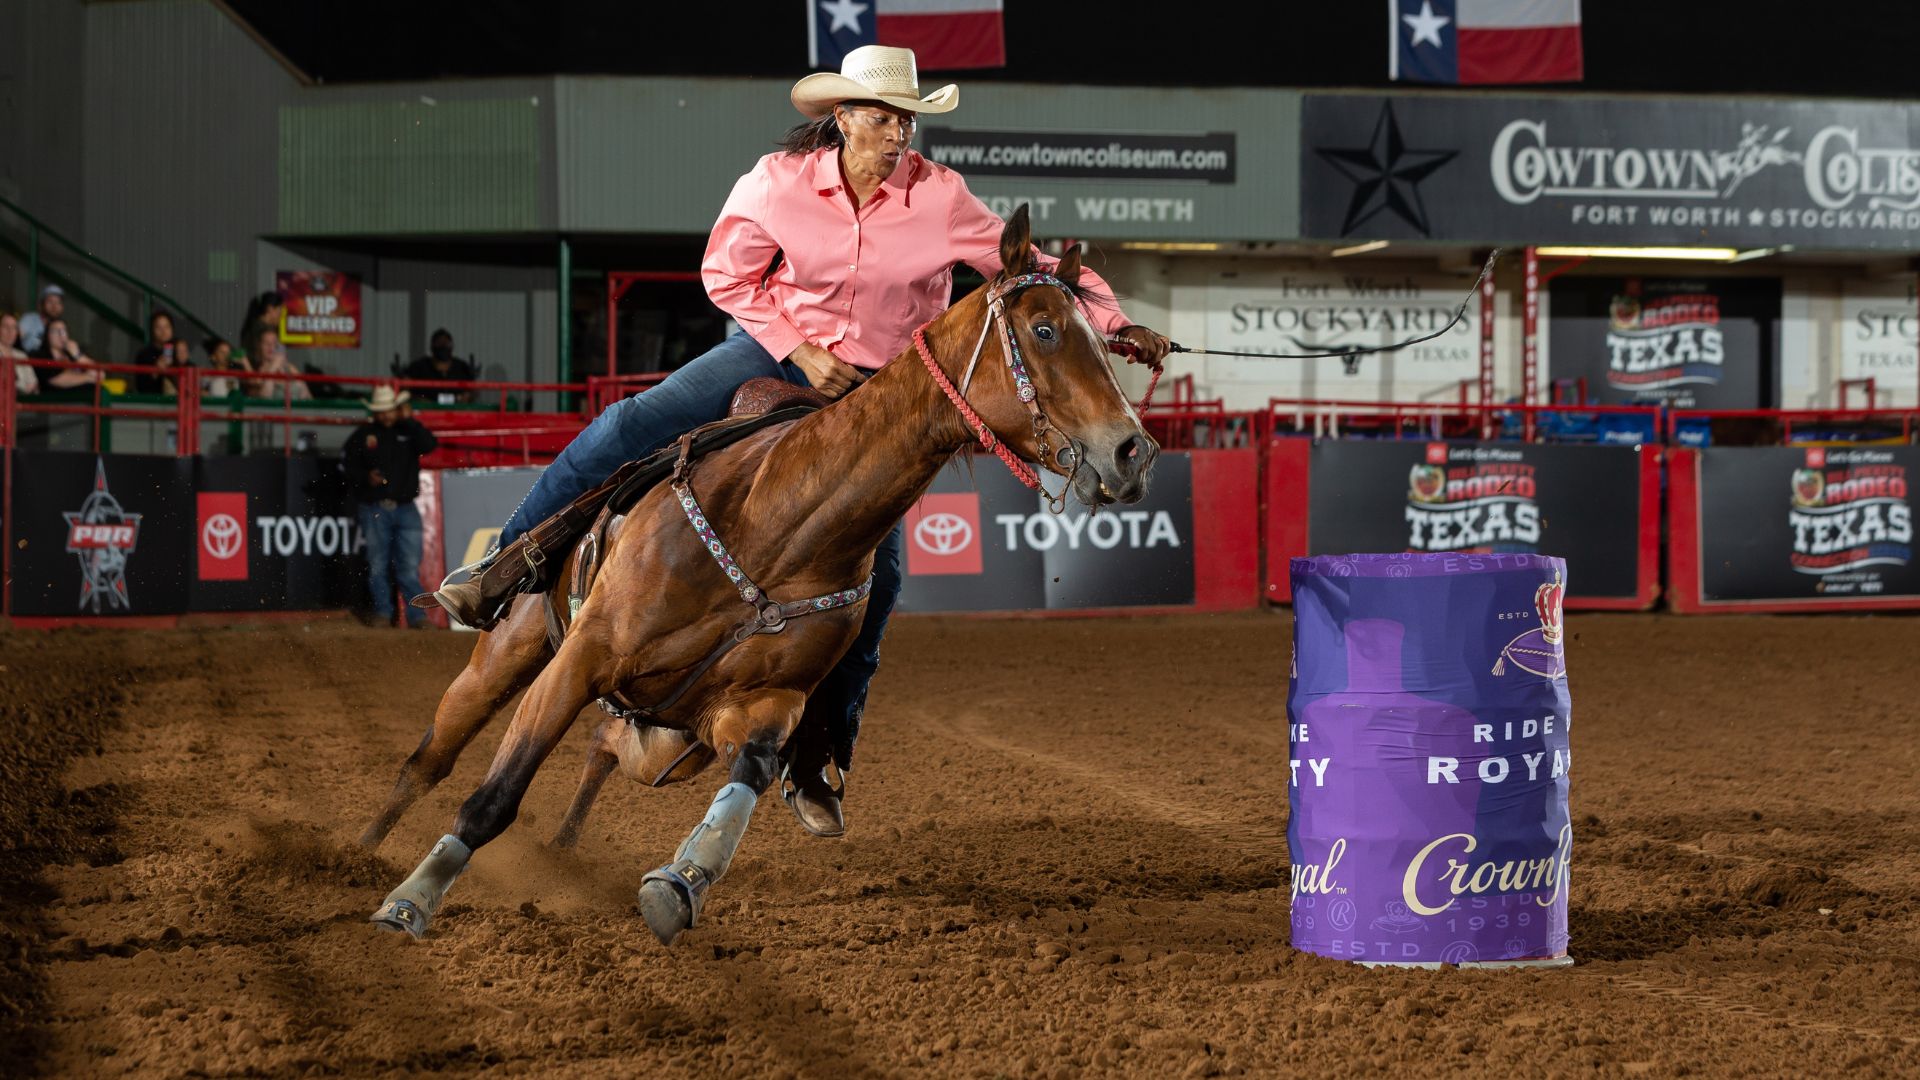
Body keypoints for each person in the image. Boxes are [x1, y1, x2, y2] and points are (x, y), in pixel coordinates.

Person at [419, 45, 1173, 838]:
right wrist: (799, 347)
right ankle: (503, 566)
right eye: (882, 117)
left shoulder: (941, 197)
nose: (898, 133)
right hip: (774, 352)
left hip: (883, 396)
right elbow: (726, 274)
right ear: (842, 117)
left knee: (879, 580)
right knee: (624, 425)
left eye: (907, 120)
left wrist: (1118, 324)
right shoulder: (778, 181)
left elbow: (1041, 274)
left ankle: (817, 756)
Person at [344, 386, 438, 628]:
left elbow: (429, 444)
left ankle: (414, 616)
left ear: (397, 410)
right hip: (376, 507)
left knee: (407, 566)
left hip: (404, 507)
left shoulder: (408, 431)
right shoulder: (362, 436)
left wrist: (410, 421)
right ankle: (386, 613)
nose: (386, 415)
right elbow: (349, 467)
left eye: (389, 410)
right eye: (381, 410)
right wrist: (366, 477)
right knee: (379, 564)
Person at [27, 317, 106, 390]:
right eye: (55, 331)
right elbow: (56, 380)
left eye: (63, 331)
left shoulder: (74, 353)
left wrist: (78, 356)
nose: (61, 335)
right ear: (47, 336)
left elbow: (100, 374)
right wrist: (88, 378)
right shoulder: (41, 355)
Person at [402, 328, 476, 404]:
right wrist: (419, 399)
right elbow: (406, 390)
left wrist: (467, 396)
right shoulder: (418, 367)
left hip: (456, 408)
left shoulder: (462, 367)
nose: (443, 346)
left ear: (452, 346)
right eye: (439, 343)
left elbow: (473, 390)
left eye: (446, 343)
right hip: (426, 408)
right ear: (432, 346)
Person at [133, 310, 188, 394]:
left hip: (177, 400)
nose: (164, 331)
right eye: (158, 327)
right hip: (154, 399)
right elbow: (141, 386)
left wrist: (182, 362)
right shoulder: (144, 354)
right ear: (152, 330)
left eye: (167, 326)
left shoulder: (178, 349)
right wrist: (156, 370)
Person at [249, 328, 312, 401]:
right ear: (259, 346)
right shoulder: (257, 372)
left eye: (274, 343)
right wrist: (274, 366)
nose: (270, 346)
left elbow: (308, 397)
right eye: (266, 343)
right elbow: (264, 398)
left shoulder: (289, 367)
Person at [238, 289, 286, 363]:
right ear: (270, 309)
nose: (281, 316)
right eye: (279, 311)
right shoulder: (261, 329)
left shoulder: (256, 326)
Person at [18, 284, 64, 354]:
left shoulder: (61, 326)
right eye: (50, 301)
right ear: (42, 304)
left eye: (58, 302)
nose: (54, 306)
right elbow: (15, 340)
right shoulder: (29, 319)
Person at [2, 311, 35, 395]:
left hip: (23, 399)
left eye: (14, 327)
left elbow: (33, 383)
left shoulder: (22, 355)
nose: (10, 331)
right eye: (5, 326)